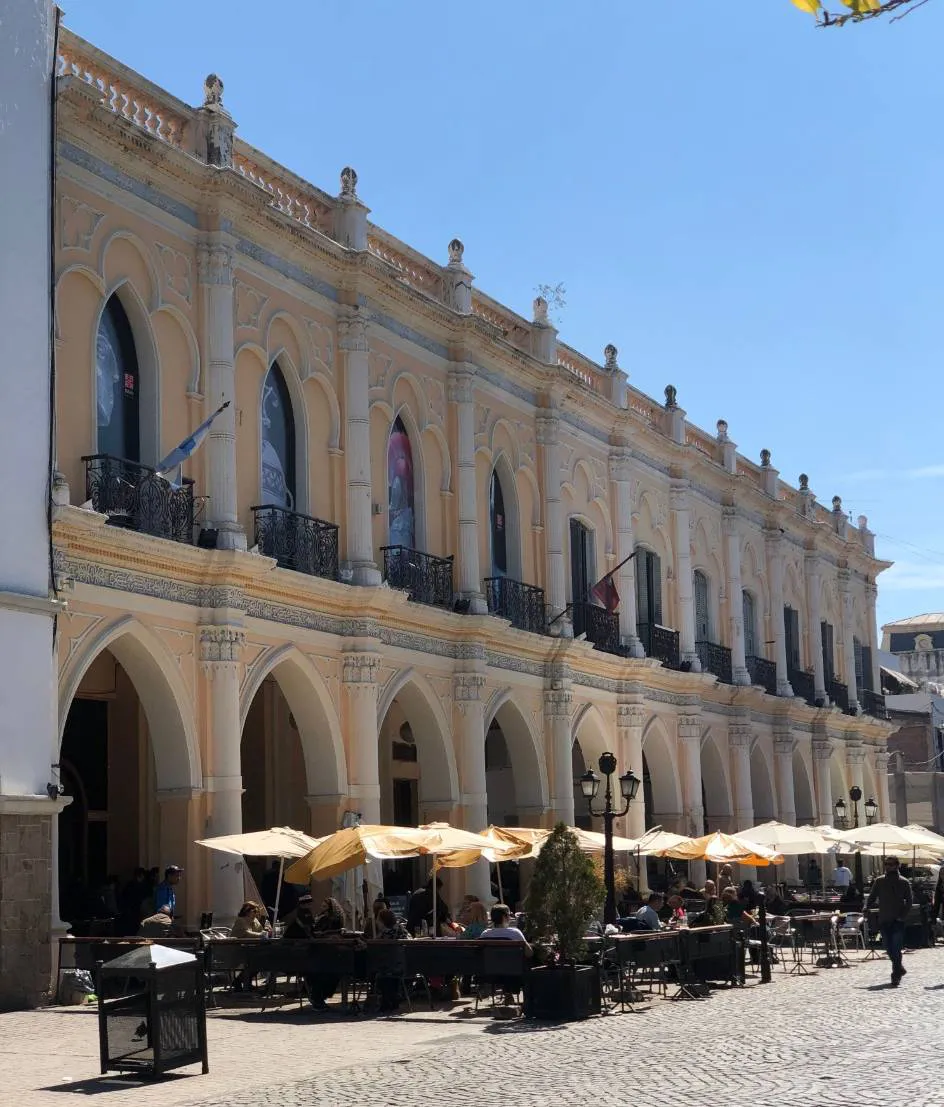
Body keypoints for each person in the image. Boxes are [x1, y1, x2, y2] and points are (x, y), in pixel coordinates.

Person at [866, 856, 913, 986]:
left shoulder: (904, 882)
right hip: (884, 919)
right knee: (888, 947)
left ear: (897, 865)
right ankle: (899, 968)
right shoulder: (879, 881)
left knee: (896, 947)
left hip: (897, 921)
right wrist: (866, 907)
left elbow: (909, 901)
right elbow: (872, 896)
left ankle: (895, 974)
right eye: (886, 864)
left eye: (891, 864)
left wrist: (902, 916)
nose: (888, 866)